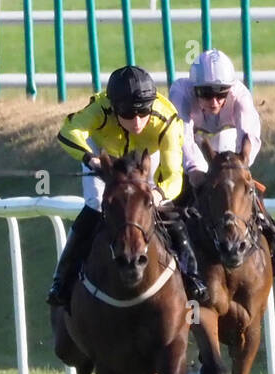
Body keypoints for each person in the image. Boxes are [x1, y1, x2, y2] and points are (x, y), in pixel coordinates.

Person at [47, 65, 209, 308]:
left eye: (143, 112)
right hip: (105, 156)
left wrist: (158, 194)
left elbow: (174, 175)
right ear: (114, 107)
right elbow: (68, 132)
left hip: (145, 157)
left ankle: (193, 276)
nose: (137, 121)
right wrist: (89, 158)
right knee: (93, 205)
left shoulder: (167, 120)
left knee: (166, 209)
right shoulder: (100, 108)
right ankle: (62, 278)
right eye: (129, 113)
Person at [169, 48, 275, 270]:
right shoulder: (180, 92)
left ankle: (271, 239)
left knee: (240, 190)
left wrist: (240, 167)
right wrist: (194, 169)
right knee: (174, 196)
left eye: (221, 94)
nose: (214, 102)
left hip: (228, 146)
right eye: (205, 94)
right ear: (195, 90)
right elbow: (181, 136)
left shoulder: (240, 96)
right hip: (191, 144)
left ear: (230, 90)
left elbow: (249, 135)